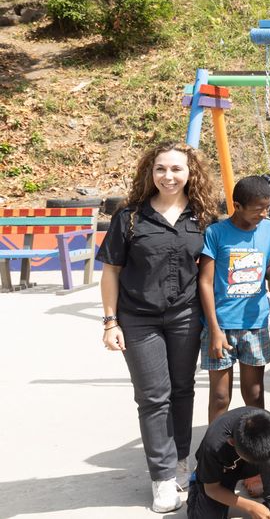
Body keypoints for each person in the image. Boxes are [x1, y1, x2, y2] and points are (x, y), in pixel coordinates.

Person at [98, 141, 220, 513]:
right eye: (160, 169)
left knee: (182, 391)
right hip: (138, 318)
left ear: (190, 173)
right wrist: (110, 322)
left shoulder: (204, 216)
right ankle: (163, 477)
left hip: (184, 315)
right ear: (150, 173)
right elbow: (111, 271)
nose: (168, 176)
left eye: (176, 169)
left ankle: (181, 461)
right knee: (153, 397)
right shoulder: (130, 217)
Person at [198, 175, 270, 423]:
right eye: (256, 209)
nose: (263, 214)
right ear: (237, 206)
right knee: (220, 397)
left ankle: (257, 446)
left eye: (267, 207)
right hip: (221, 325)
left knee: (254, 394)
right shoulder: (216, 233)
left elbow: (268, 273)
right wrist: (214, 328)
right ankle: (217, 449)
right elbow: (205, 282)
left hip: (254, 323)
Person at [186, 407, 270, 519]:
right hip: (222, 473)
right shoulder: (214, 444)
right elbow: (211, 489)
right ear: (232, 443)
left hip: (248, 463)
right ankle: (196, 482)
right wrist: (251, 507)